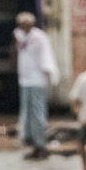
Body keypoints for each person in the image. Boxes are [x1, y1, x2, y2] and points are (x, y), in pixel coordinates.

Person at [13, 12, 57, 161]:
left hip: (37, 80)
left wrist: (51, 73)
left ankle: (41, 145)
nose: (23, 26)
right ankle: (32, 145)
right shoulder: (19, 36)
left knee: (38, 115)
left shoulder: (39, 37)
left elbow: (46, 56)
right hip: (25, 80)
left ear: (32, 24)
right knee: (27, 115)